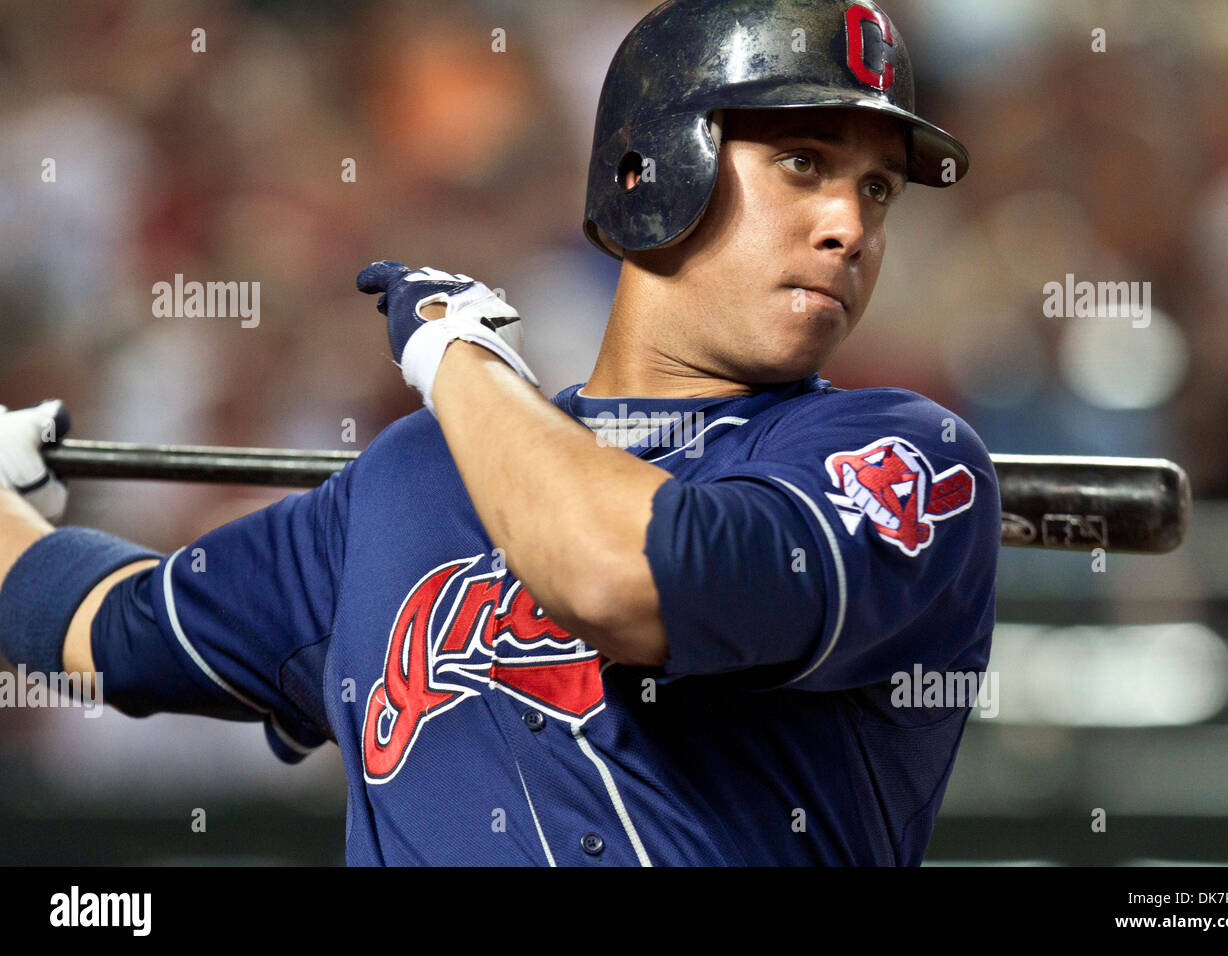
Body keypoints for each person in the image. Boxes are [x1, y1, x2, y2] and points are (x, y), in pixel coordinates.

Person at [0, 0, 999, 865]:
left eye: (876, 188)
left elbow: (620, 576)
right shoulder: (404, 480)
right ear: (651, 167)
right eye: (802, 162)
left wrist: (454, 363)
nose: (851, 226)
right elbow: (103, 624)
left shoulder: (898, 455)